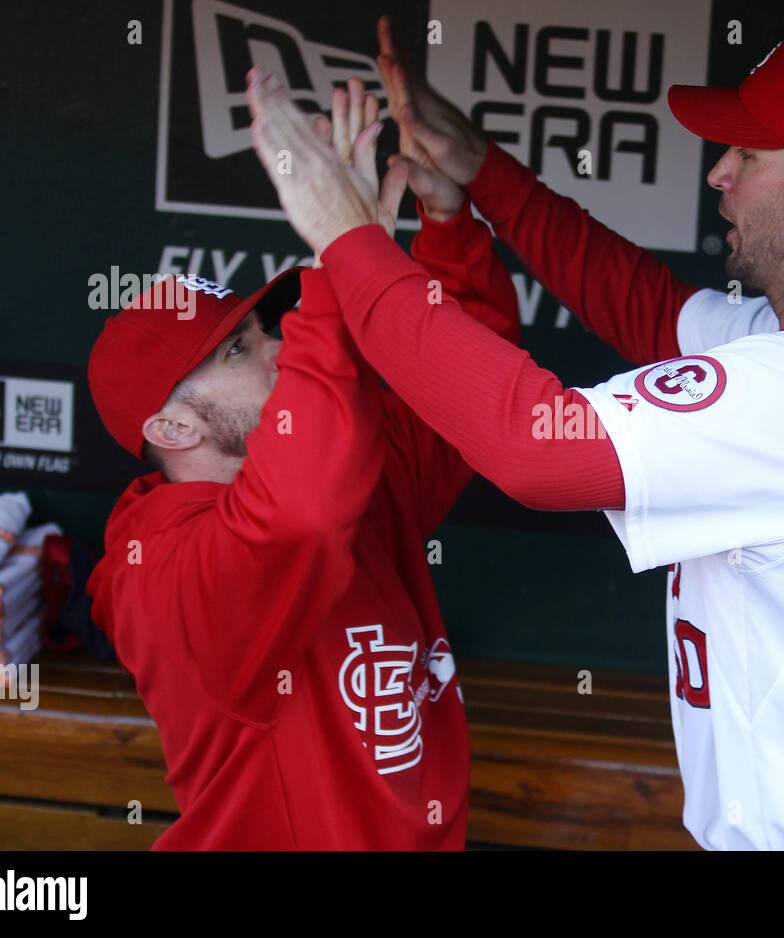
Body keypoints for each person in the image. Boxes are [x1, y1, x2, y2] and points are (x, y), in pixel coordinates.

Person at [248, 21, 784, 850]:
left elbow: (534, 447)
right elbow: (646, 306)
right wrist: (484, 171)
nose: (720, 172)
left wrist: (350, 243)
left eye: (747, 155)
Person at [84, 84, 520, 848]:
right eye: (238, 350)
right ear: (170, 425)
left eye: (262, 330)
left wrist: (446, 227)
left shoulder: (348, 463)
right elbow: (295, 516)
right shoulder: (156, 568)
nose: (279, 347)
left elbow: (465, 379)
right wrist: (335, 264)